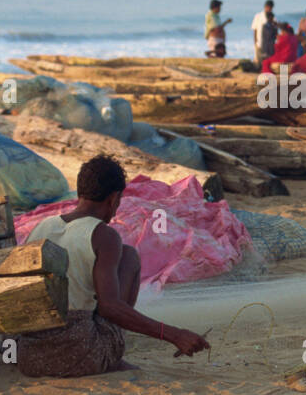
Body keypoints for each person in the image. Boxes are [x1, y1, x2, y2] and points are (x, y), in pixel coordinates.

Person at [19, 156, 210, 377]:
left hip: (30, 357)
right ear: (113, 199)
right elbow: (110, 307)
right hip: (76, 355)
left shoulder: (41, 227)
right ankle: (112, 354)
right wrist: (175, 335)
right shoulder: (103, 235)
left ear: (80, 193)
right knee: (129, 256)